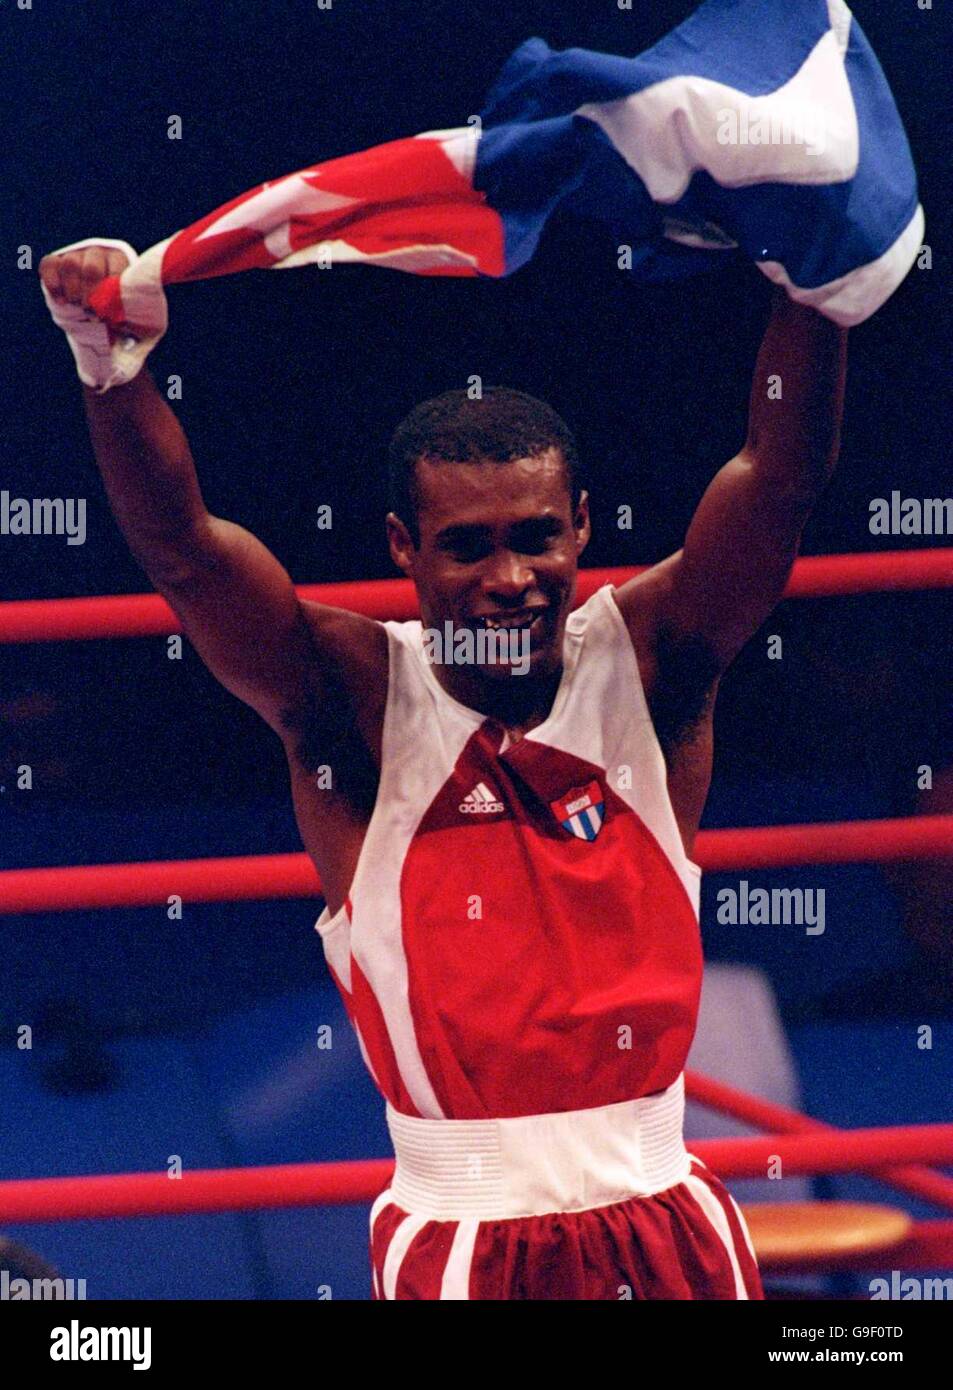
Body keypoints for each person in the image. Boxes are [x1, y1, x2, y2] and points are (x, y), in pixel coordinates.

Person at [39, 242, 846, 1299]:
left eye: (536, 538)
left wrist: (820, 281)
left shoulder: (649, 662)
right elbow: (186, 553)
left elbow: (777, 481)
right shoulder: (354, 703)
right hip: (463, 1237)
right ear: (402, 549)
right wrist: (111, 366)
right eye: (466, 546)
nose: (509, 579)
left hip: (670, 1219)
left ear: (583, 529)